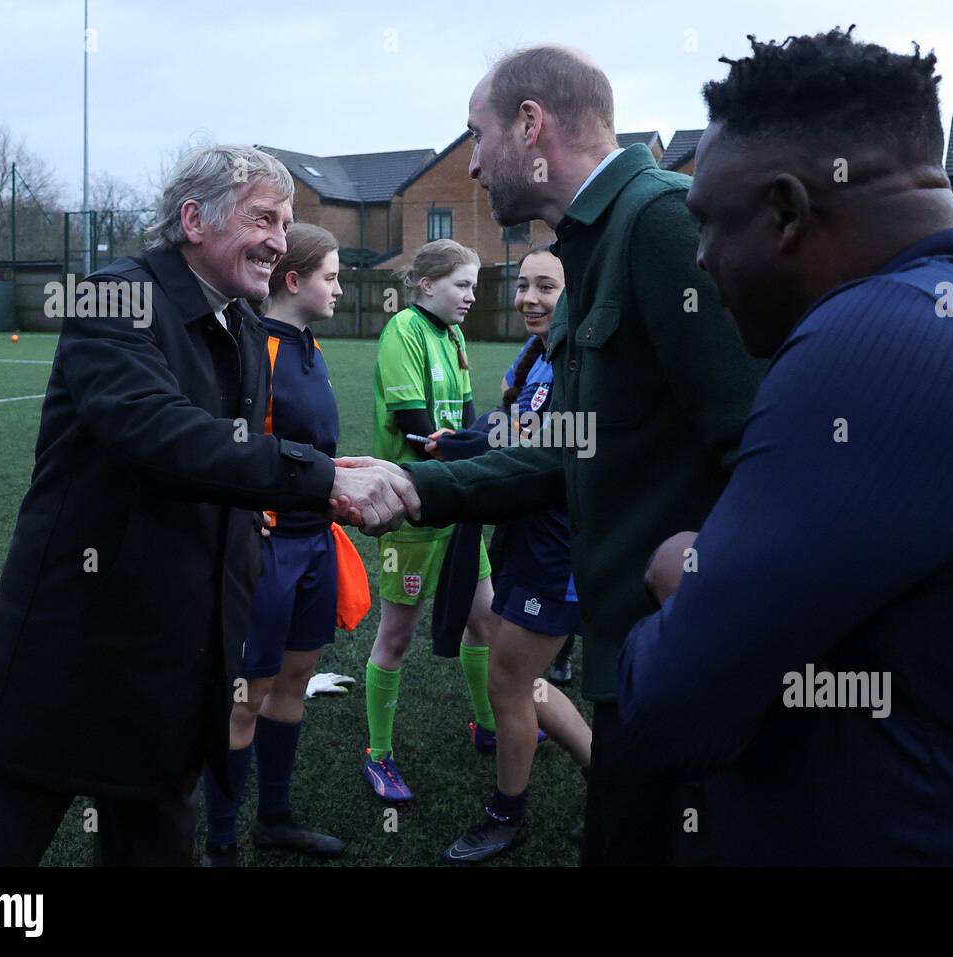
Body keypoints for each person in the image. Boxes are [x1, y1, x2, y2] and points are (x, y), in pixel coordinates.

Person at [614, 28, 953, 865]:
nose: (701, 258)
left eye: (709, 225)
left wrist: (679, 568)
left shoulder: (878, 339)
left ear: (788, 212)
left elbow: (665, 711)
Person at [0, 145, 416, 867]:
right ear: (194, 219)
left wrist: (323, 473)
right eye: (264, 217)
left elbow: (231, 465)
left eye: (286, 223)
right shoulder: (114, 297)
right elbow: (159, 433)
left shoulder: (244, 320)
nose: (278, 239)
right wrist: (314, 477)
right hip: (66, 660)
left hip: (173, 679)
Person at [393, 45, 765, 866]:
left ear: (531, 124)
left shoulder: (661, 222)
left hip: (686, 663)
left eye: (476, 136)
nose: (476, 164)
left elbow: (762, 449)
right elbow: (567, 451)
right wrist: (414, 486)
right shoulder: (593, 241)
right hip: (627, 659)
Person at [433, 246, 593, 863]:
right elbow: (512, 429)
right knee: (519, 678)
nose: (529, 298)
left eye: (546, 287)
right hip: (524, 541)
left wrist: (447, 479)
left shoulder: (579, 364)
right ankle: (607, 774)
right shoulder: (540, 356)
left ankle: (506, 815)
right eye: (524, 284)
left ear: (574, 293)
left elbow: (542, 458)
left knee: (507, 682)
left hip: (556, 550)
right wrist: (464, 441)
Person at [201, 223, 352, 866]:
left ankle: (276, 819)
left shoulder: (309, 345)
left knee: (294, 678)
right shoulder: (251, 347)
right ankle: (220, 843)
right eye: (332, 276)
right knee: (246, 693)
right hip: (265, 552)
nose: (341, 288)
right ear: (294, 281)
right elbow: (229, 451)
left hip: (315, 543)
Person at [362, 239, 497, 803]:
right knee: (397, 634)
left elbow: (465, 422)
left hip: (457, 500)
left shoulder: (454, 334)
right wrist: (477, 451)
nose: (470, 296)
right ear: (425, 284)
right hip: (413, 506)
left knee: (484, 621)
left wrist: (476, 453)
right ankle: (378, 755)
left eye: (473, 285)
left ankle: (488, 725)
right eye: (462, 284)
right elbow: (417, 427)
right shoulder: (404, 331)